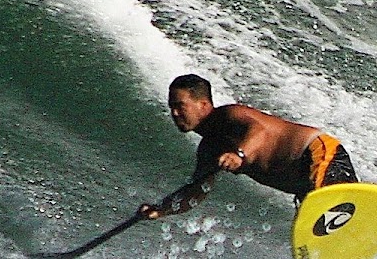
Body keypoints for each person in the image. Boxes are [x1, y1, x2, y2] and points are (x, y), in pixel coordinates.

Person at [138, 74, 356, 220]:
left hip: (316, 154)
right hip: (304, 185)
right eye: (171, 107)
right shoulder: (208, 150)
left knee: (329, 217)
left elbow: (259, 131)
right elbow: (195, 194)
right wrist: (161, 209)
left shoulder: (230, 115)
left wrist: (240, 154)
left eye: (180, 106)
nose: (174, 113)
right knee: (320, 232)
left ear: (203, 105)